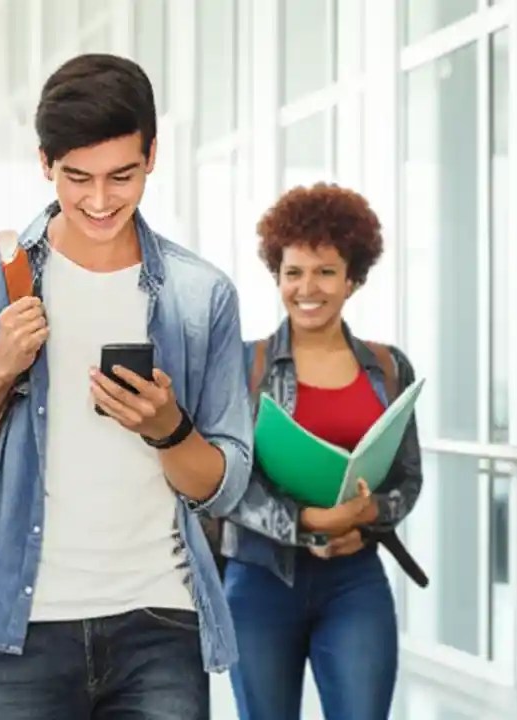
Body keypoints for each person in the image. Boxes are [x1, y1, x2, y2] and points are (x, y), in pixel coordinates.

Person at [0, 53, 253, 719]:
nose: (100, 200)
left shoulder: (199, 295)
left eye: (122, 176)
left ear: (153, 155)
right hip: (24, 620)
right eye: (78, 178)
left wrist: (169, 428)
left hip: (164, 617)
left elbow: (226, 485)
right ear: (45, 163)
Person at [221, 183, 423, 720]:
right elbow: (223, 482)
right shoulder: (245, 367)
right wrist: (307, 521)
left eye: (325, 271)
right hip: (259, 582)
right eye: (293, 272)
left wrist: (368, 513)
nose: (307, 287)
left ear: (352, 279)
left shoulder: (387, 367)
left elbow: (408, 478)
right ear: (278, 277)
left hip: (354, 581)